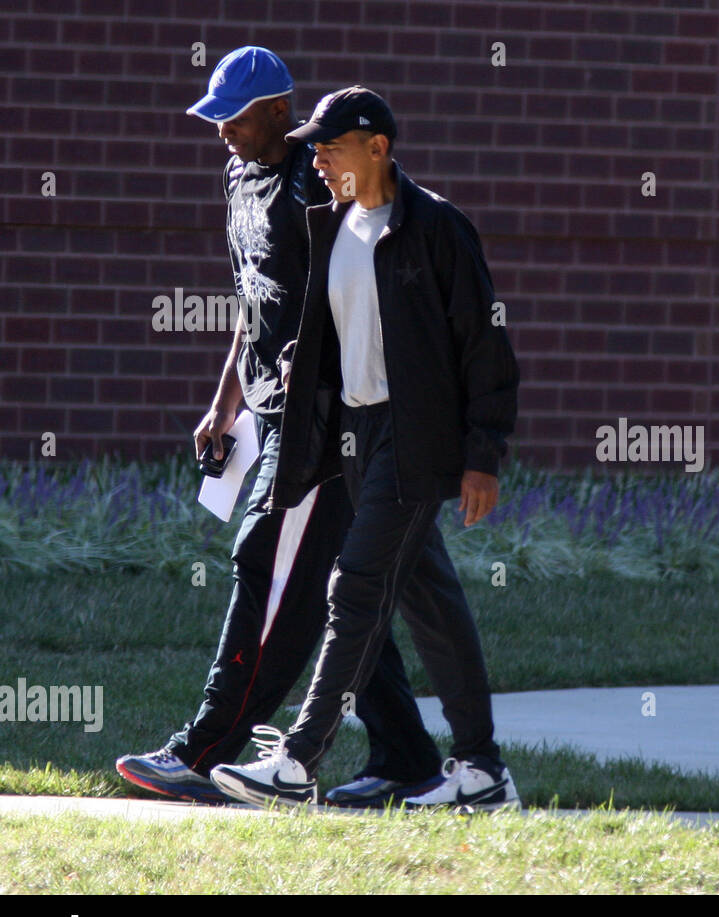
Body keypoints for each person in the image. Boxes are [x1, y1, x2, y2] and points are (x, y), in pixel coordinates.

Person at [116, 49, 444, 809]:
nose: (221, 132)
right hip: (268, 414)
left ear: (276, 110)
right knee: (339, 594)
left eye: (233, 118)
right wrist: (226, 396)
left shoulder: (314, 178)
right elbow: (253, 295)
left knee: (264, 567)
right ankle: (407, 758)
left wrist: (322, 359)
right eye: (214, 118)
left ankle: (201, 752)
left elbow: (369, 279)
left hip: (324, 426)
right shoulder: (236, 176)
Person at [209, 86, 521, 812]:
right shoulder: (332, 222)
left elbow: (486, 347)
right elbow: (330, 331)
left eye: (331, 145)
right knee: (430, 603)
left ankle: (296, 760)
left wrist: (483, 454)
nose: (315, 158)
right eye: (312, 146)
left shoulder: (436, 227)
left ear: (377, 147)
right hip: (354, 436)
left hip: (413, 438)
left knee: (351, 587)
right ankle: (483, 771)